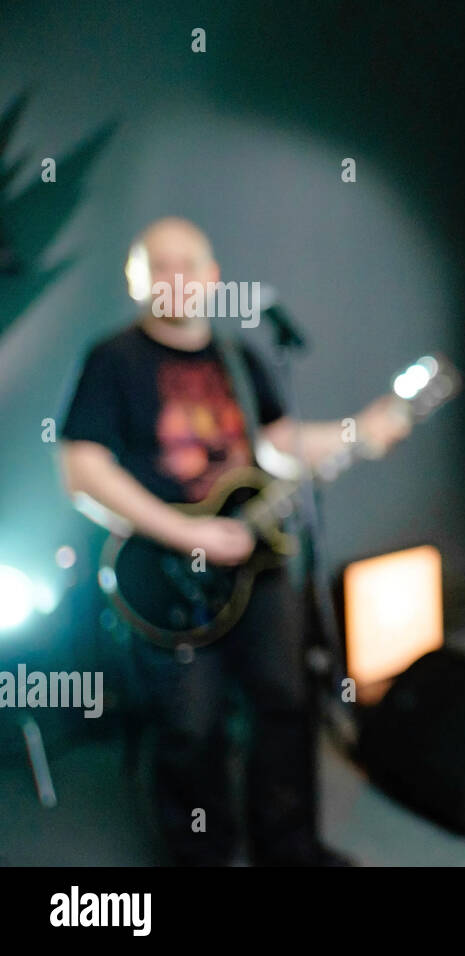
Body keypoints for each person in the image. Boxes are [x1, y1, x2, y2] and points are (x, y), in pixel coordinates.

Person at [58, 217, 410, 865]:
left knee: (285, 701)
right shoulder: (114, 360)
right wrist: (187, 532)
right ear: (136, 281)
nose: (175, 279)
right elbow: (83, 470)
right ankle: (203, 855)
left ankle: (289, 847)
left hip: (260, 566)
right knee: (192, 728)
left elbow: (280, 446)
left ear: (213, 277)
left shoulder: (240, 359)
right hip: (167, 575)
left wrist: (361, 431)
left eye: (187, 264)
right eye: (158, 266)